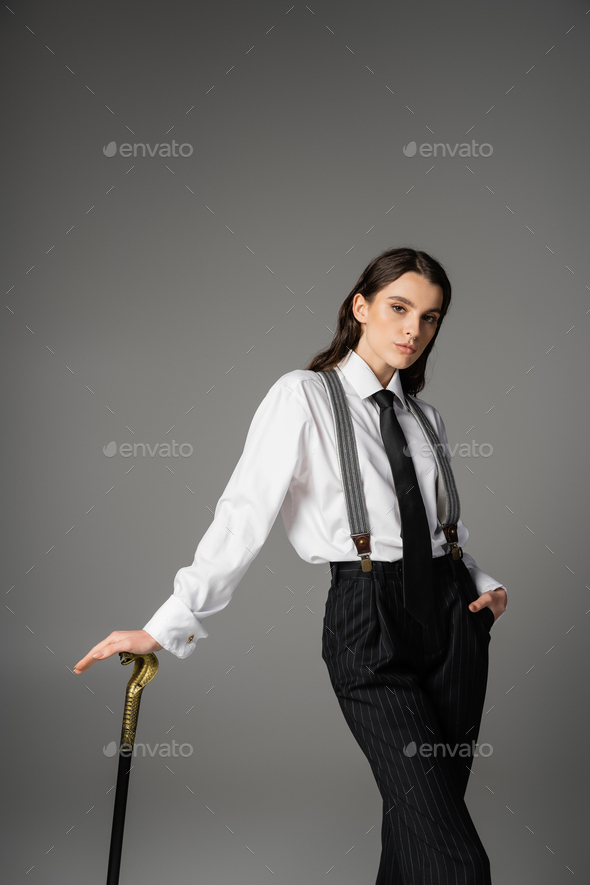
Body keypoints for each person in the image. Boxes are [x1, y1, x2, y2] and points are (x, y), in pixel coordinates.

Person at [74, 246, 507, 884]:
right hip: (369, 617)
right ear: (361, 307)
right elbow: (244, 512)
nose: (413, 330)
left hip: (454, 619)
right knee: (456, 858)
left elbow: (444, 528)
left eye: (430, 317)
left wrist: (485, 586)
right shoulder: (302, 396)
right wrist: (168, 623)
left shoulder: (425, 417)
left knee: (418, 838)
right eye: (398, 308)